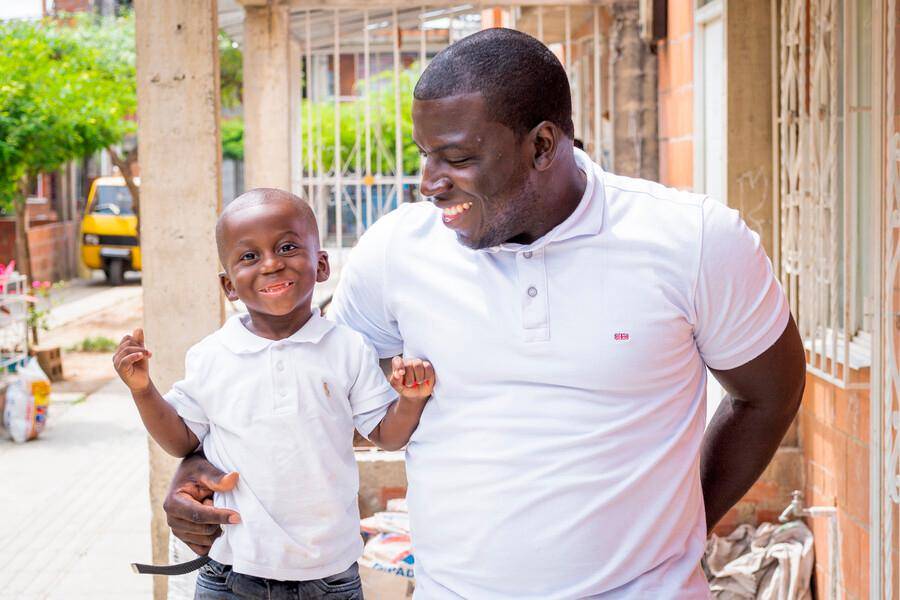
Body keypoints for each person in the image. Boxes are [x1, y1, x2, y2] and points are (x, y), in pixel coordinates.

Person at [163, 29, 805, 599]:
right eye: (424, 153)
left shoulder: (695, 241)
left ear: (543, 145)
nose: (429, 180)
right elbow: (301, 383)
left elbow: (768, 396)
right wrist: (196, 460)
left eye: (458, 158)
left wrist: (682, 524)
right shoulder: (395, 252)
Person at [114, 188, 435, 599]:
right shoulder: (212, 356)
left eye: (287, 246)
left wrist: (411, 399)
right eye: (249, 256)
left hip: (330, 577)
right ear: (229, 285)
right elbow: (182, 440)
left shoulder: (349, 349)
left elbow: (387, 435)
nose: (271, 263)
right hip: (232, 573)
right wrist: (143, 390)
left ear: (321, 265)